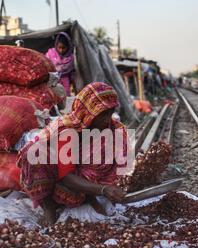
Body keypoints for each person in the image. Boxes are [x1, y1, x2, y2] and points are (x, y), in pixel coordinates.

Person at [18, 83, 128, 226]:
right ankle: (49, 207)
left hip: (90, 182)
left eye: (111, 112)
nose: (107, 119)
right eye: (102, 114)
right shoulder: (67, 129)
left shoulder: (114, 130)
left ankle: (90, 197)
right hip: (61, 181)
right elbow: (66, 177)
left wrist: (105, 188)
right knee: (35, 153)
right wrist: (103, 190)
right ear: (88, 111)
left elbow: (119, 168)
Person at [46, 32, 75, 96]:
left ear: (68, 47)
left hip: (65, 82)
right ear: (56, 45)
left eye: (63, 48)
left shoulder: (70, 58)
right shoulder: (50, 53)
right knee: (53, 97)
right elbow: (47, 66)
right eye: (59, 47)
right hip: (52, 81)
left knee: (65, 98)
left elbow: (72, 73)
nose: (61, 50)